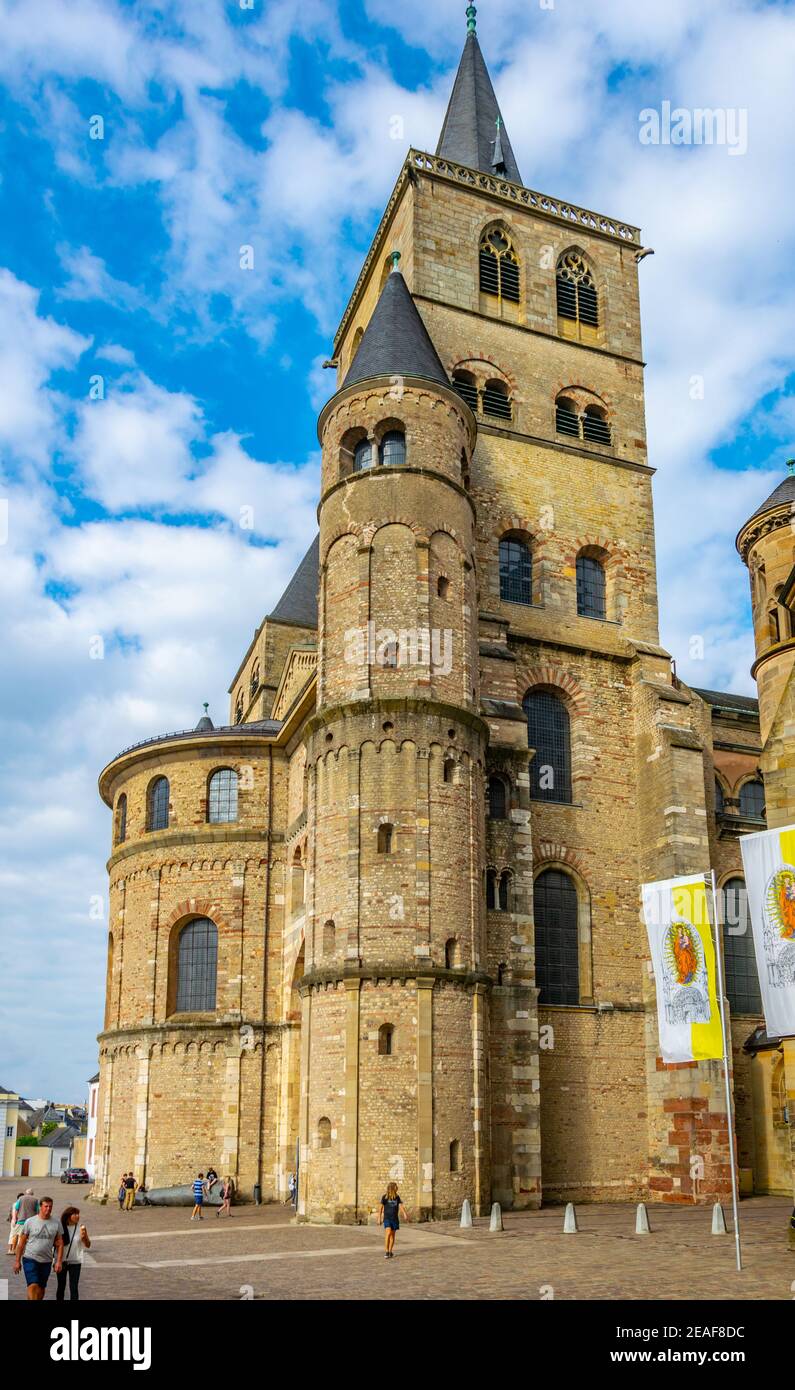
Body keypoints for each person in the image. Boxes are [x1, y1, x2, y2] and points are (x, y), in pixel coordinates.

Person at [14, 1195, 63, 1300]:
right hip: (30, 1258)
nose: (48, 1209)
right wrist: (17, 1261)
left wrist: (58, 1261)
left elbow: (60, 1243)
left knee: (41, 1288)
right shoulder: (30, 1222)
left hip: (46, 1260)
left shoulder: (56, 1223)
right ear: (40, 1207)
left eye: (50, 1206)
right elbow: (21, 1243)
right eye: (46, 1206)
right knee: (33, 1285)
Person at [56, 1207, 90, 1301]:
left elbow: (88, 1245)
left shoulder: (81, 1227)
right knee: (61, 1287)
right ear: (68, 1216)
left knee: (74, 1288)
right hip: (62, 1261)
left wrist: (84, 1239)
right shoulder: (60, 1227)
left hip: (76, 1261)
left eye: (78, 1214)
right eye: (75, 1214)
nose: (77, 1216)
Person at [378, 1182, 409, 1259]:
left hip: (395, 1219)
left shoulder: (397, 1197)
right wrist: (379, 1217)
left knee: (392, 1236)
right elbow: (381, 1208)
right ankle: (386, 1251)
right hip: (387, 1218)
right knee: (388, 1233)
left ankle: (390, 1251)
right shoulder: (384, 1197)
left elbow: (401, 1206)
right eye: (396, 1187)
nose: (397, 1188)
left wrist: (404, 1214)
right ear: (392, 1188)